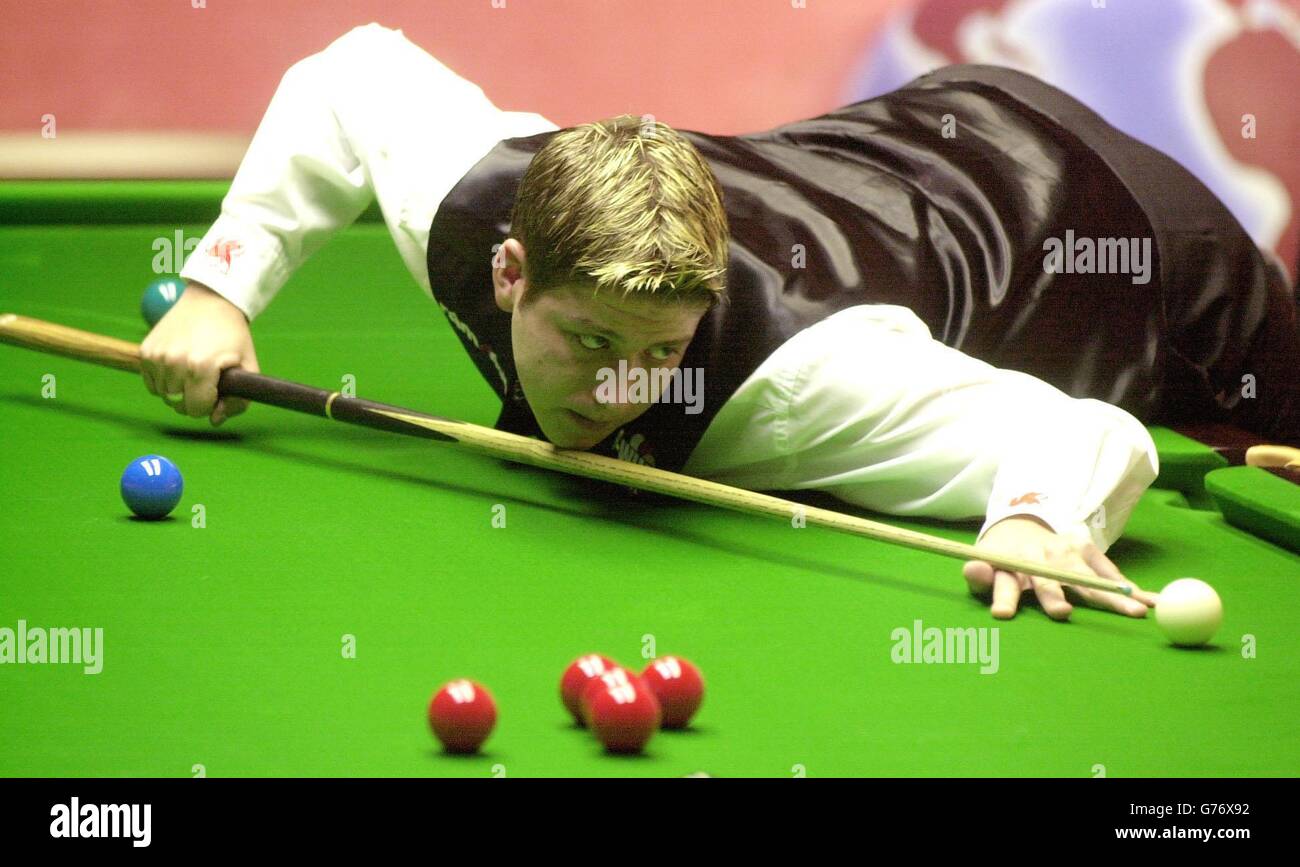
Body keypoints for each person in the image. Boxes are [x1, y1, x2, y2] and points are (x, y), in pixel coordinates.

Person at [139, 24, 1298, 621]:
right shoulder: (469, 194)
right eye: (590, 343)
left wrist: (1038, 521)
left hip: (1132, 243)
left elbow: (1086, 431)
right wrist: (217, 288)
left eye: (662, 354)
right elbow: (352, 74)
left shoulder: (803, 385)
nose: (624, 391)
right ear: (509, 272)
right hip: (922, 136)